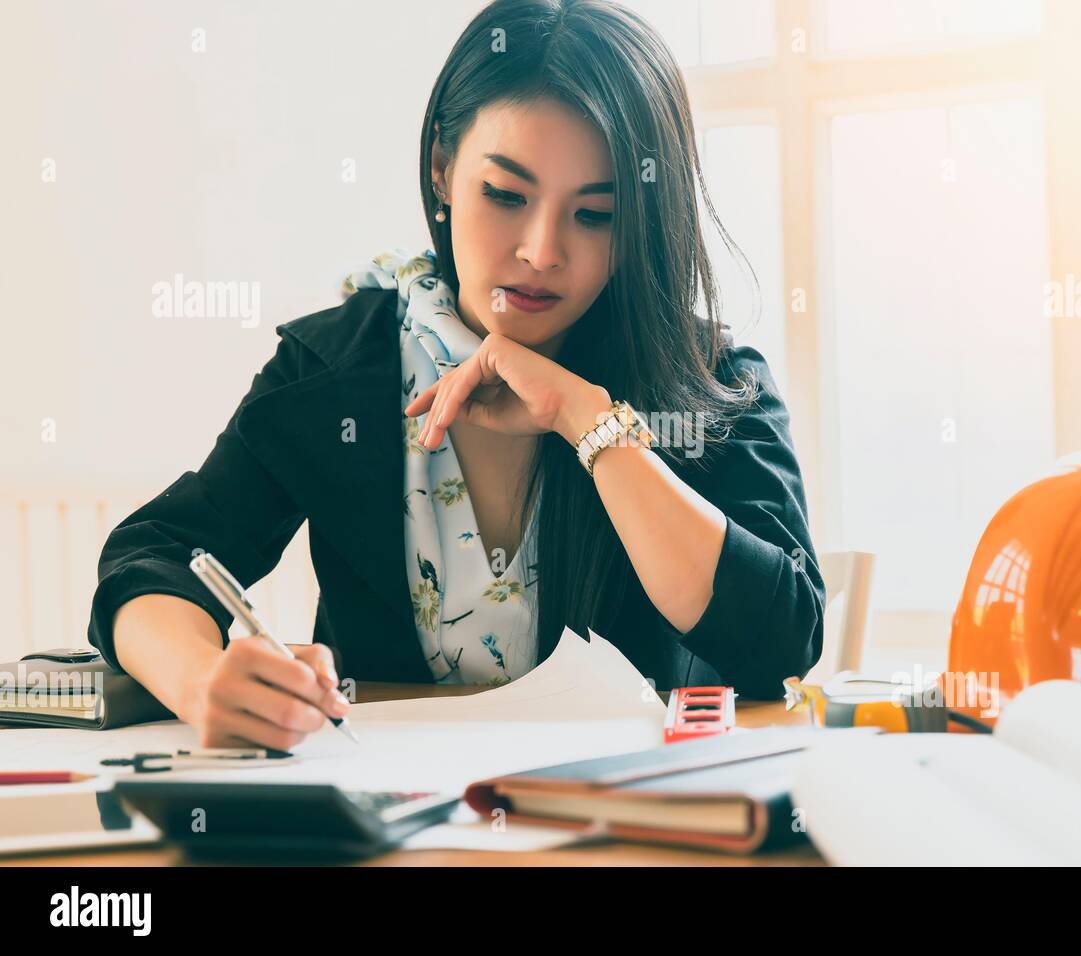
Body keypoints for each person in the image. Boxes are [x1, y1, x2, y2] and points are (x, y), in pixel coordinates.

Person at [87, 0, 824, 750]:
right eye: (506, 195)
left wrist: (591, 422)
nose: (541, 251)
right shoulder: (335, 369)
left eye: (594, 215)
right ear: (442, 169)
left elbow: (780, 645)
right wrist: (201, 682)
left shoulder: (711, 383)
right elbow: (155, 555)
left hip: (626, 831)